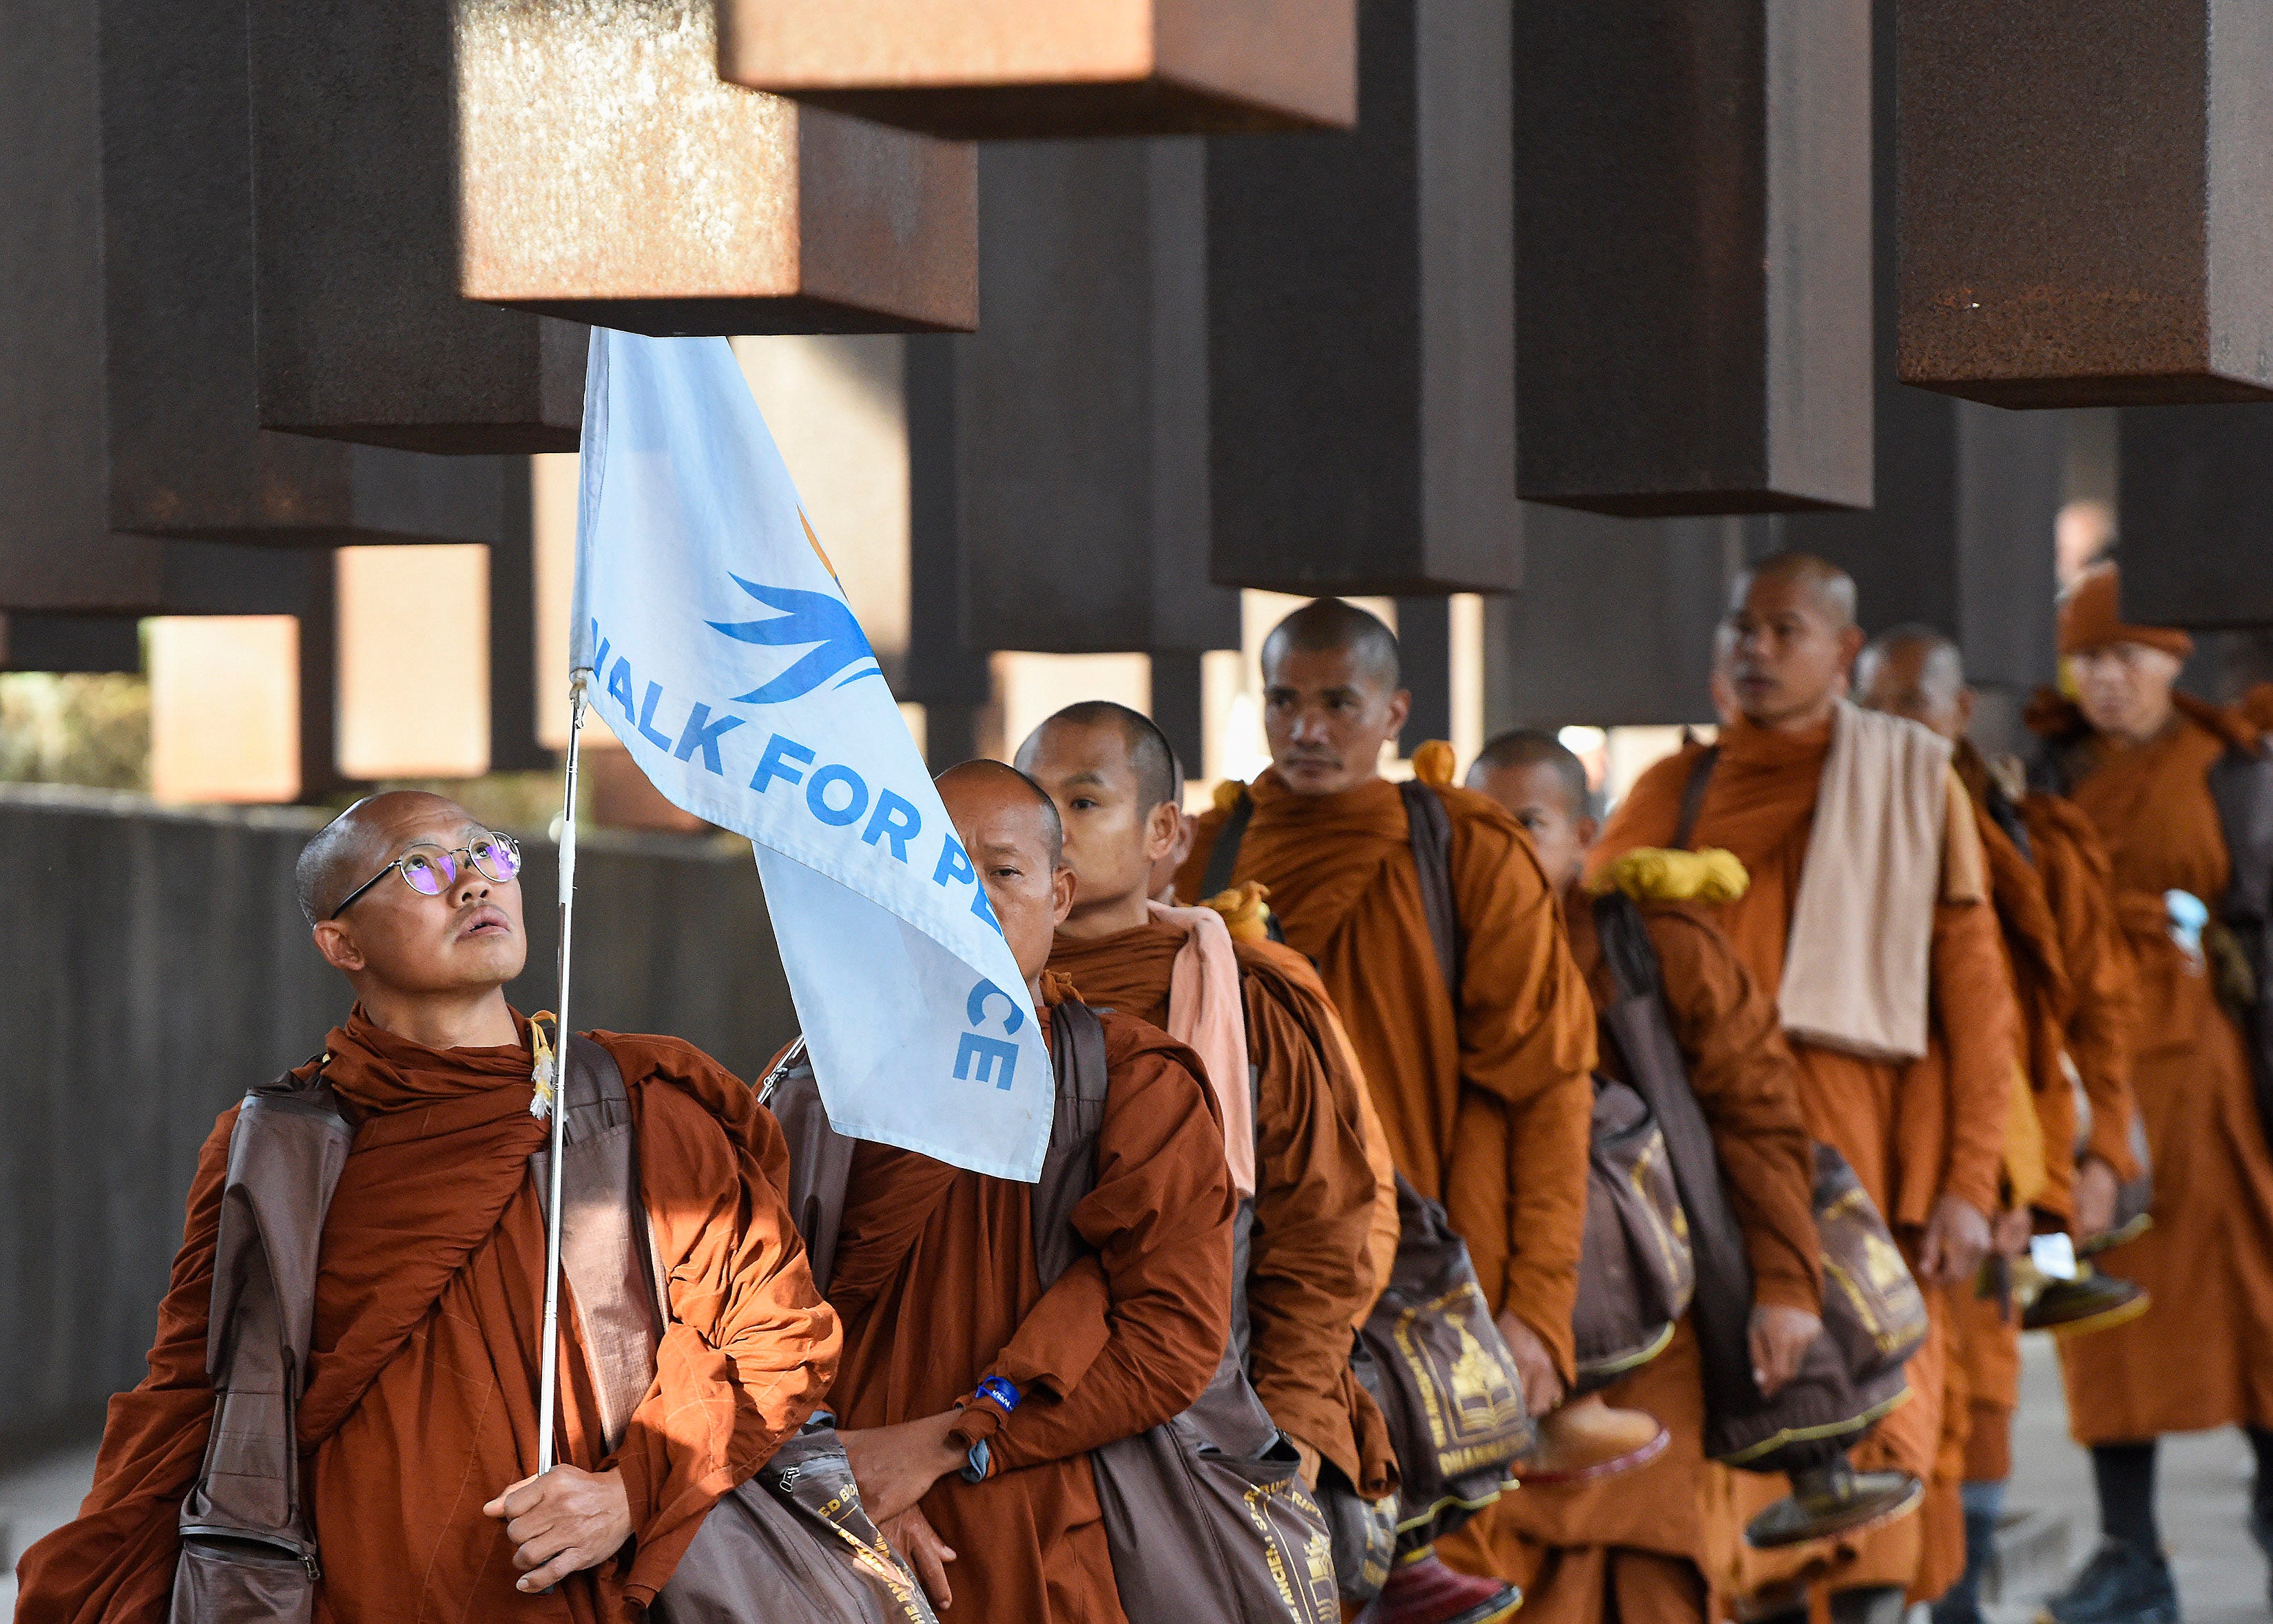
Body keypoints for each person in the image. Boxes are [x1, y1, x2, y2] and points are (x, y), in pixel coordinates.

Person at [14, 791, 840, 1621]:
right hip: (348, 1591)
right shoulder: (273, 1148)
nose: (474, 883)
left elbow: (775, 1335)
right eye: (422, 866)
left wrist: (628, 1493)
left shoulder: (637, 1108)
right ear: (341, 943)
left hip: (582, 1586)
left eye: (488, 854)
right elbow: (191, 1392)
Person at [1592, 554, 2017, 1624]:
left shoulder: (1913, 779)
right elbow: (1590, 954)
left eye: (1788, 630)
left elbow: (1978, 1003)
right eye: (1745, 627)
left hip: (1858, 1155)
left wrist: (1972, 1177)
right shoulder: (1670, 790)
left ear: (1844, 650)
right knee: (1744, 1438)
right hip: (1706, 1158)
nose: (1760, 649)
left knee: (1881, 1416)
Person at [1177, 598, 1599, 1624]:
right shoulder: (1208, 852)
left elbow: (1547, 1090)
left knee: (1446, 1571)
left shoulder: (1462, 847)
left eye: (1337, 702)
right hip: (1265, 1283)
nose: (1308, 727)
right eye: (1285, 700)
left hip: (1437, 1276)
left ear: (1396, 710)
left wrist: (1540, 1305)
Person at [822, 760, 1236, 1621]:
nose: (967, 898)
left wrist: (944, 1449)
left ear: (1058, 895)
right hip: (836, 1533)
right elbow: (744, 1320)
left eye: (1003, 872)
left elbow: (1172, 1340)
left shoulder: (1129, 1083)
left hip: (1044, 1529)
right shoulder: (819, 1084)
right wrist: (843, 1476)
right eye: (938, 869)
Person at [1453, 731, 1823, 1624]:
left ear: (1586, 838)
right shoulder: (1439, 955)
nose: (1498, 854)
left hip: (1655, 1314)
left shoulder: (1655, 945)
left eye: (1526, 825)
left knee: (1652, 1560)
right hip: (1496, 1317)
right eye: (1477, 831)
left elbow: (1760, 1113)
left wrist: (1784, 1280)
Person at [1016, 702, 1395, 1506]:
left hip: (1211, 1427)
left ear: (1163, 833)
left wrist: (1286, 1442)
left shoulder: (1250, 1004)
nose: (1050, 828)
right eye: (1032, 802)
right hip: (1002, 1418)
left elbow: (1319, 1238)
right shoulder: (965, 1005)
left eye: (1083, 803)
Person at [1856, 626, 2146, 1624]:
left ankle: (1965, 1599)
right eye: (1876, 706)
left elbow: (2095, 1012)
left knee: (1987, 1394)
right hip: (1877, 1154)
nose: (1893, 727)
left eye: (1912, 705)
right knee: (1897, 1403)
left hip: (2013, 1154)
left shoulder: (2027, 835)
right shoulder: (1834, 827)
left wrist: (2100, 1149)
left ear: (1958, 713)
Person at [2023, 564, 2273, 1624]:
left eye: (2128, 655)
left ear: (2174, 662)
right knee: (2098, 1314)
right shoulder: (2050, 772)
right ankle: (2132, 1552)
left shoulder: (2229, 766)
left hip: (2206, 1072)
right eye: (2087, 658)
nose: (2107, 678)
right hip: (2091, 1076)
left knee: (2252, 1306)